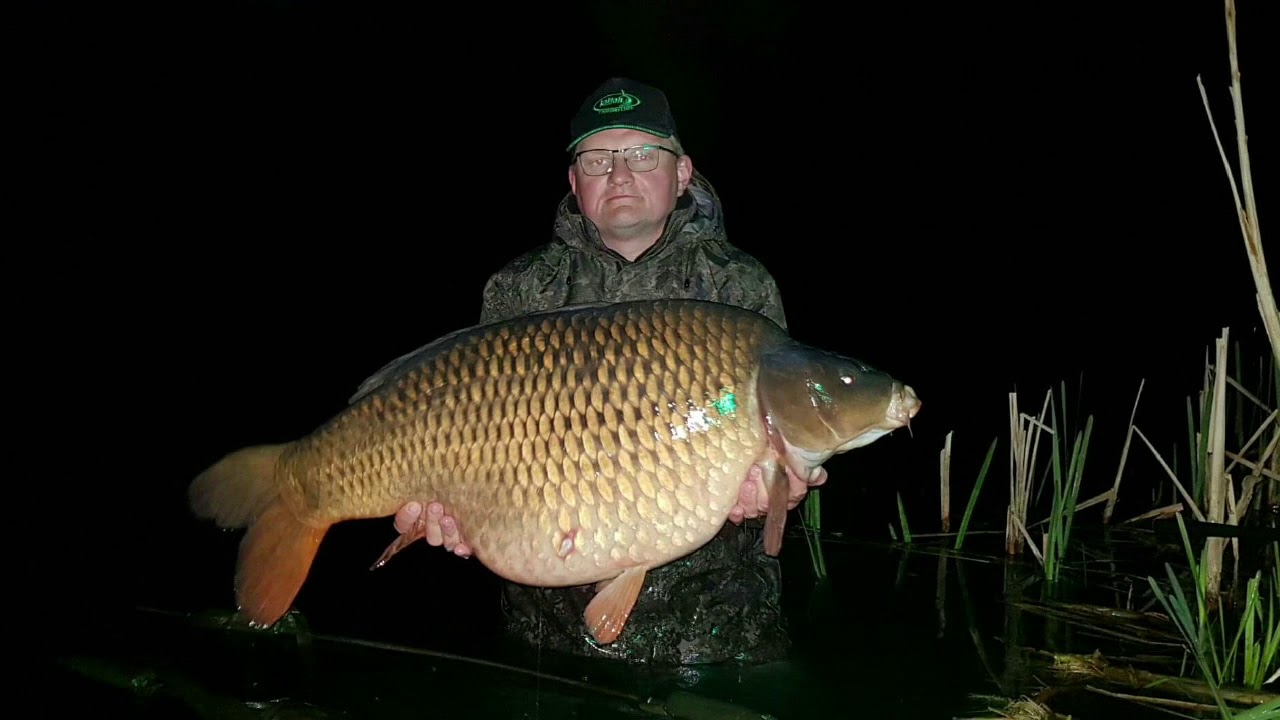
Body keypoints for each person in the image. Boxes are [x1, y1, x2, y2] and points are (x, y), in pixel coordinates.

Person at [379, 77, 827, 665]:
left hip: (719, 631)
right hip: (546, 637)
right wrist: (453, 511)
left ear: (682, 172)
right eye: (597, 158)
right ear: (574, 181)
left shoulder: (739, 289)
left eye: (643, 154)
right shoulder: (521, 289)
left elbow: (771, 448)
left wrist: (778, 490)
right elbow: (478, 441)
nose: (620, 174)